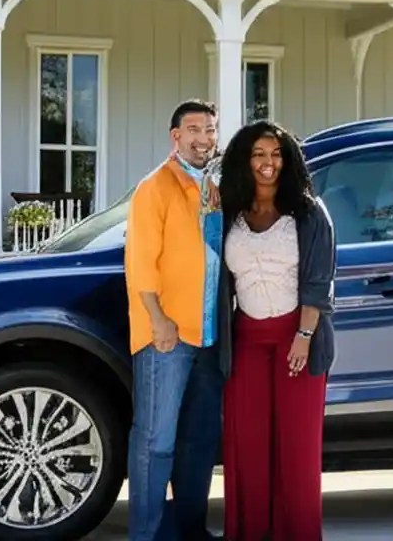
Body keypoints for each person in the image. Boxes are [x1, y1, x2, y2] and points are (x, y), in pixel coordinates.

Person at [217, 119, 337, 541]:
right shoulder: (227, 211)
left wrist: (304, 338)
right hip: (246, 340)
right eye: (258, 155)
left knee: (297, 453)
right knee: (248, 448)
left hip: (297, 339)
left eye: (275, 155)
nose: (267, 163)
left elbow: (318, 284)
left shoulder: (308, 213)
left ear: (287, 161)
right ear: (244, 161)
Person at [124, 99, 226, 541]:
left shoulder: (214, 188)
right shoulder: (156, 186)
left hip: (209, 336)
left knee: (199, 445)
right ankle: (145, 533)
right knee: (155, 442)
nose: (203, 138)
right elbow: (139, 261)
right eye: (193, 129)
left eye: (209, 130)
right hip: (167, 334)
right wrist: (157, 319)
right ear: (176, 136)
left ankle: (190, 530)